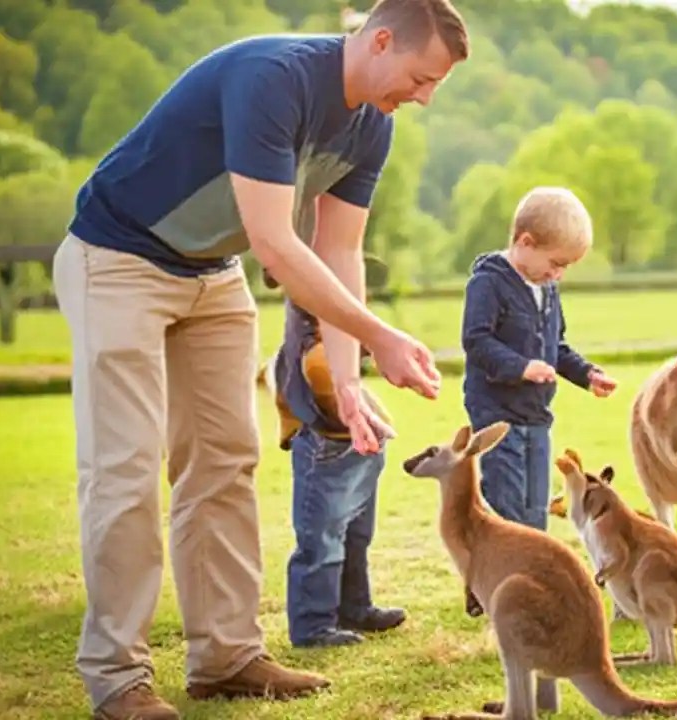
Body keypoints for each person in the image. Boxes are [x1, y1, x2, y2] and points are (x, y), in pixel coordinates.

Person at [50, 0, 469, 716]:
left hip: (211, 272)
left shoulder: (373, 127)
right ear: (381, 39)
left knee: (225, 460)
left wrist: (345, 377)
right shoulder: (275, 78)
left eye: (436, 87)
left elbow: (339, 251)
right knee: (124, 469)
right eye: (421, 77)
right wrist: (379, 335)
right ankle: (118, 679)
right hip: (116, 258)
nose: (424, 97)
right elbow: (276, 243)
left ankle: (226, 656)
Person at [460, 187, 619, 534]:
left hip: (537, 418)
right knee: (508, 513)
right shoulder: (488, 283)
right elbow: (476, 341)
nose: (558, 274)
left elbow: (555, 347)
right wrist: (521, 367)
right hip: (498, 420)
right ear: (526, 242)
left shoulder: (546, 288)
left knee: (535, 513)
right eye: (556, 263)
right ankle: (499, 584)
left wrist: (586, 374)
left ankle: (532, 583)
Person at [264, 325, 405, 648]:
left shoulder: (335, 340)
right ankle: (313, 626)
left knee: (356, 535)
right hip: (329, 450)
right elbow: (326, 390)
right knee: (322, 541)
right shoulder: (313, 352)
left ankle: (354, 608)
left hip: (356, 451)